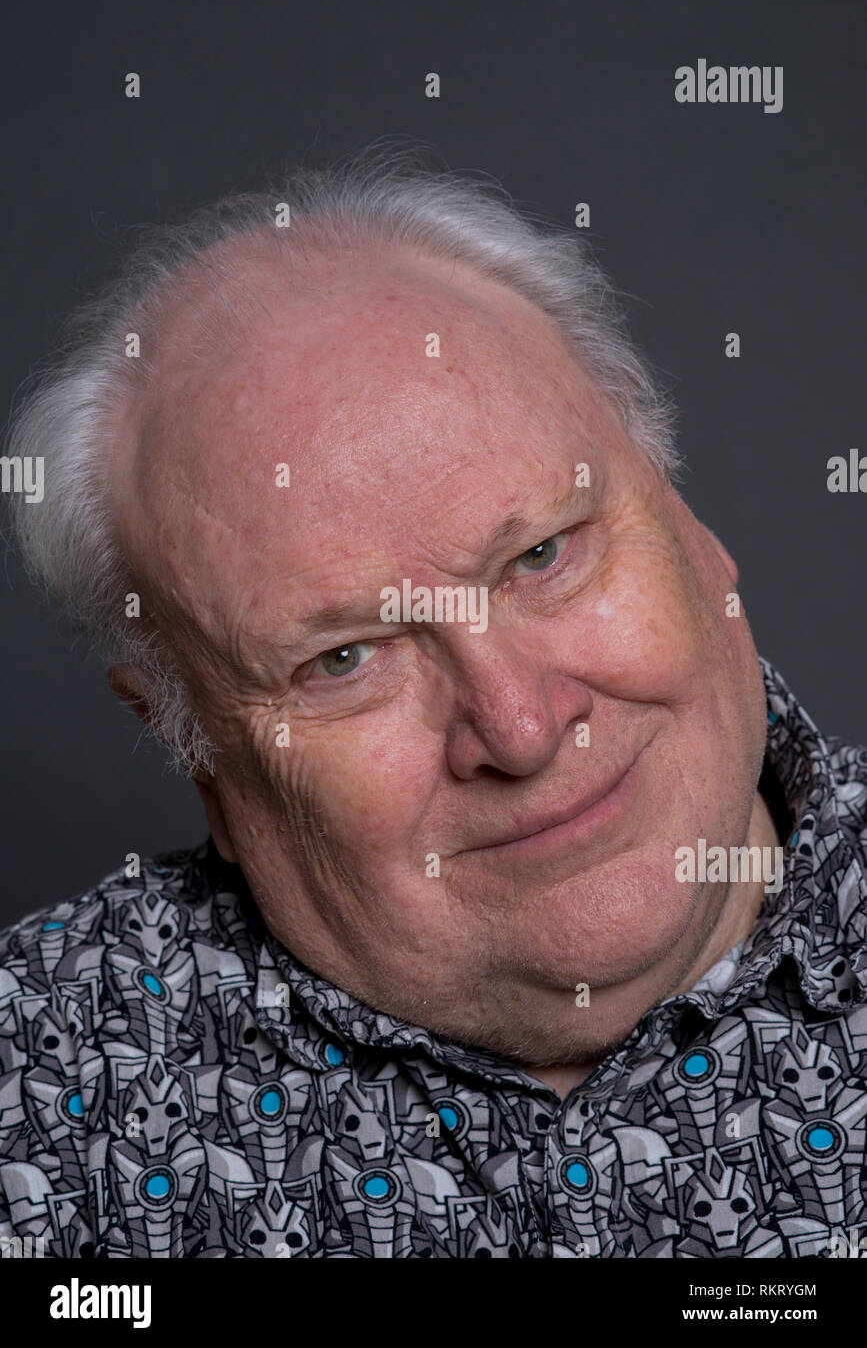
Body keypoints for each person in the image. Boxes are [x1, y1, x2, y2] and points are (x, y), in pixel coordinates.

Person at [2, 145, 865, 1258]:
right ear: (201, 748)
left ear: (693, 536)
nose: (519, 725)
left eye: (545, 553)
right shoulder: (35, 1082)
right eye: (346, 658)